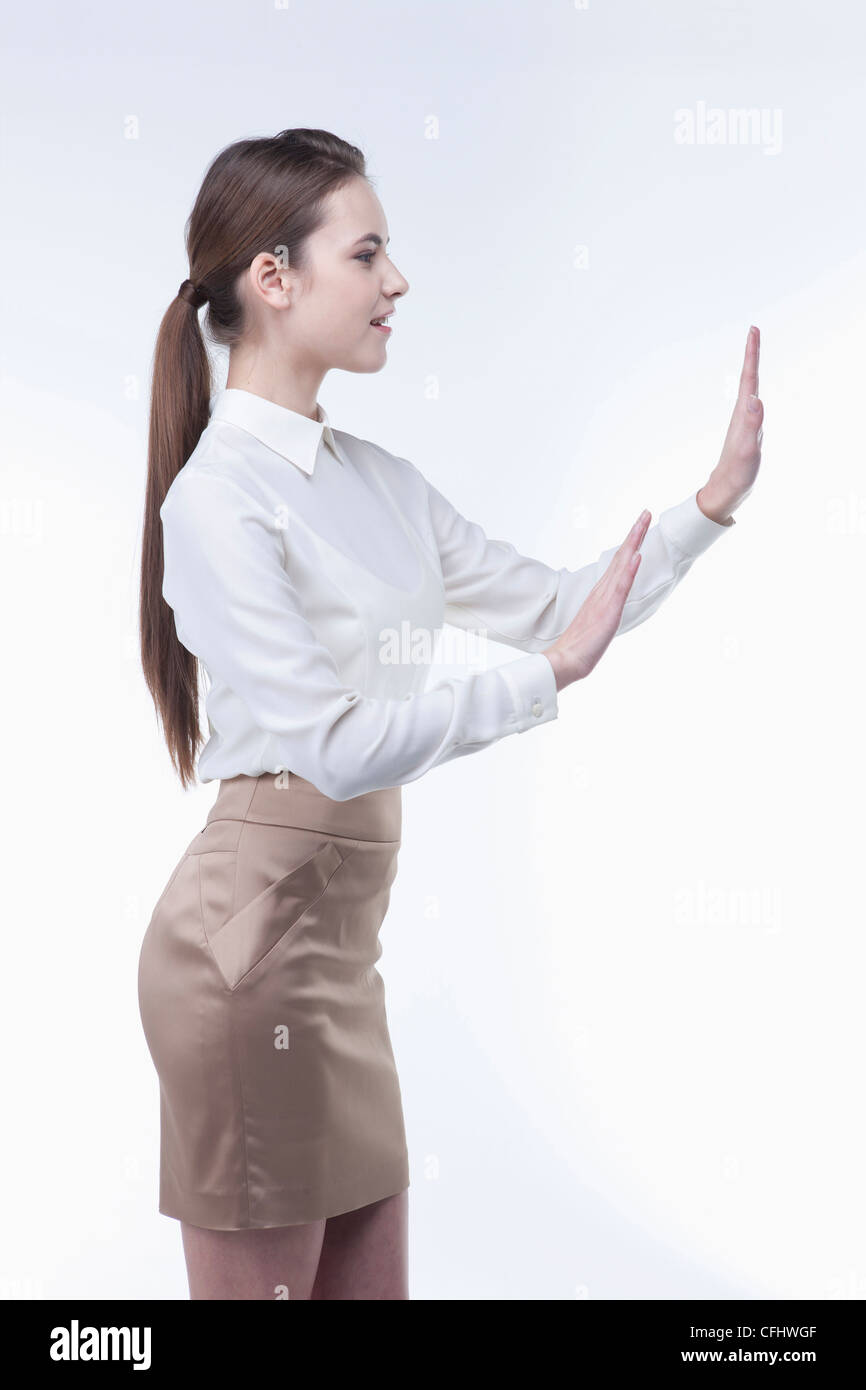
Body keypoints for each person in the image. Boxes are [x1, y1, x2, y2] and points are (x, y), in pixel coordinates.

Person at [137, 127, 762, 1301]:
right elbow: (328, 740)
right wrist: (539, 684)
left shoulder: (378, 482)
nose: (397, 282)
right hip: (246, 958)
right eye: (366, 254)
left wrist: (705, 508)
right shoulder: (216, 503)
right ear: (273, 280)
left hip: (337, 959)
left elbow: (557, 609)